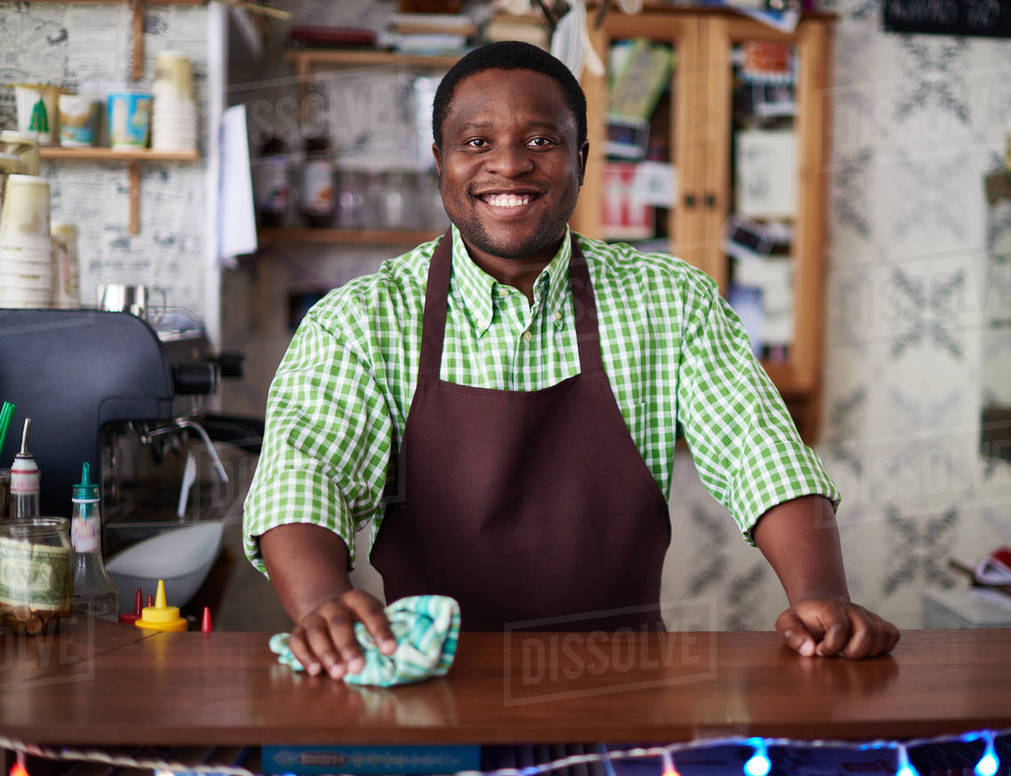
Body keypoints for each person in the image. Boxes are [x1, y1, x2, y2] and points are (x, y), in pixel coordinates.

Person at [242, 41, 899, 679]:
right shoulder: (359, 320)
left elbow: (761, 453)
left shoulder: (670, 300)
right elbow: (307, 471)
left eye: (541, 141)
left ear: (582, 158)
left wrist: (820, 594)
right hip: (431, 685)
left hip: (624, 689)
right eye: (476, 143)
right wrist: (322, 600)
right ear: (438, 161)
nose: (510, 164)